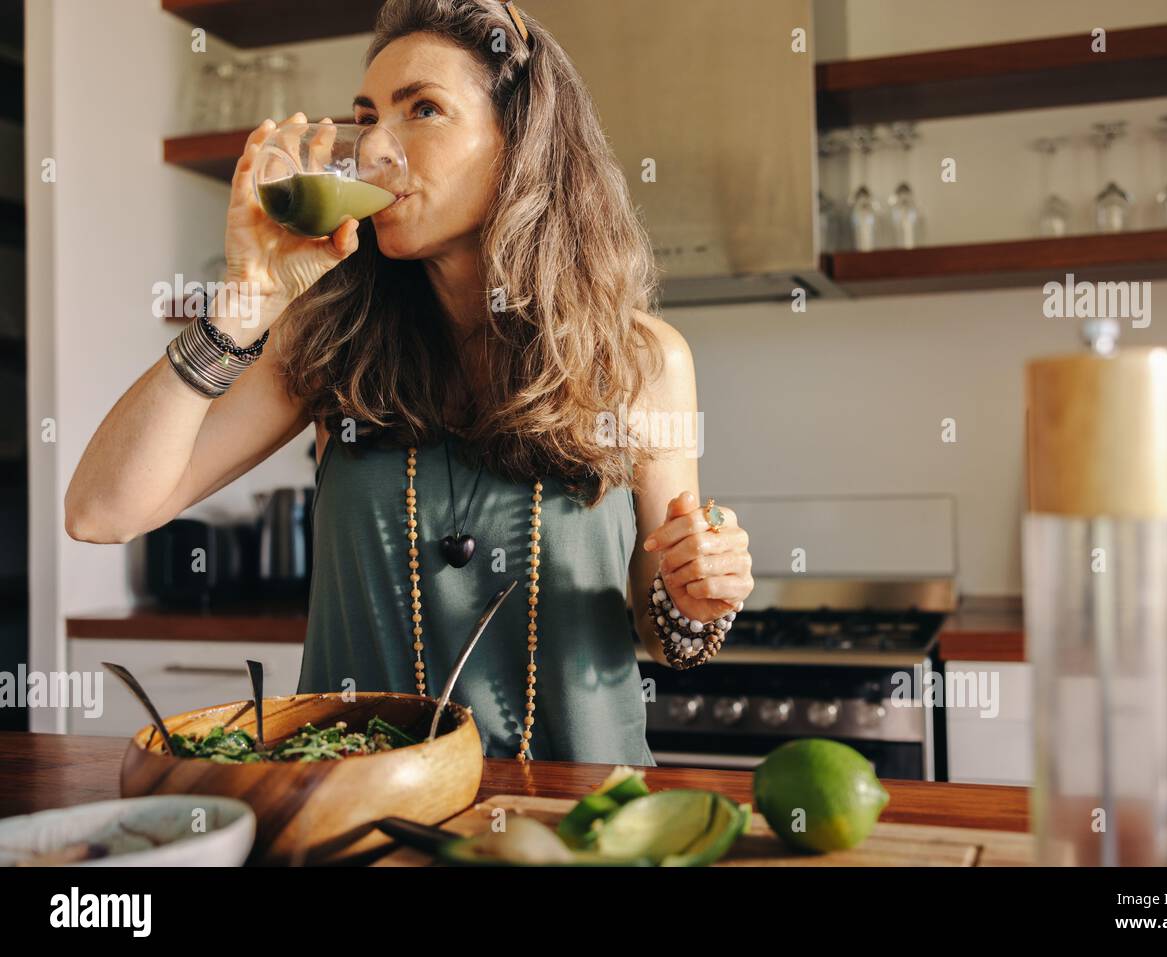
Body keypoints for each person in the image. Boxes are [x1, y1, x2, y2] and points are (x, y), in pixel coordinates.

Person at [64, 0, 753, 765]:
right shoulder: (325, 339)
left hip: (578, 820)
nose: (376, 150)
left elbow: (669, 635)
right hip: (354, 817)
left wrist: (697, 594)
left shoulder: (644, 362)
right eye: (368, 117)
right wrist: (242, 306)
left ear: (518, 142)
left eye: (423, 109)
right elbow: (101, 510)